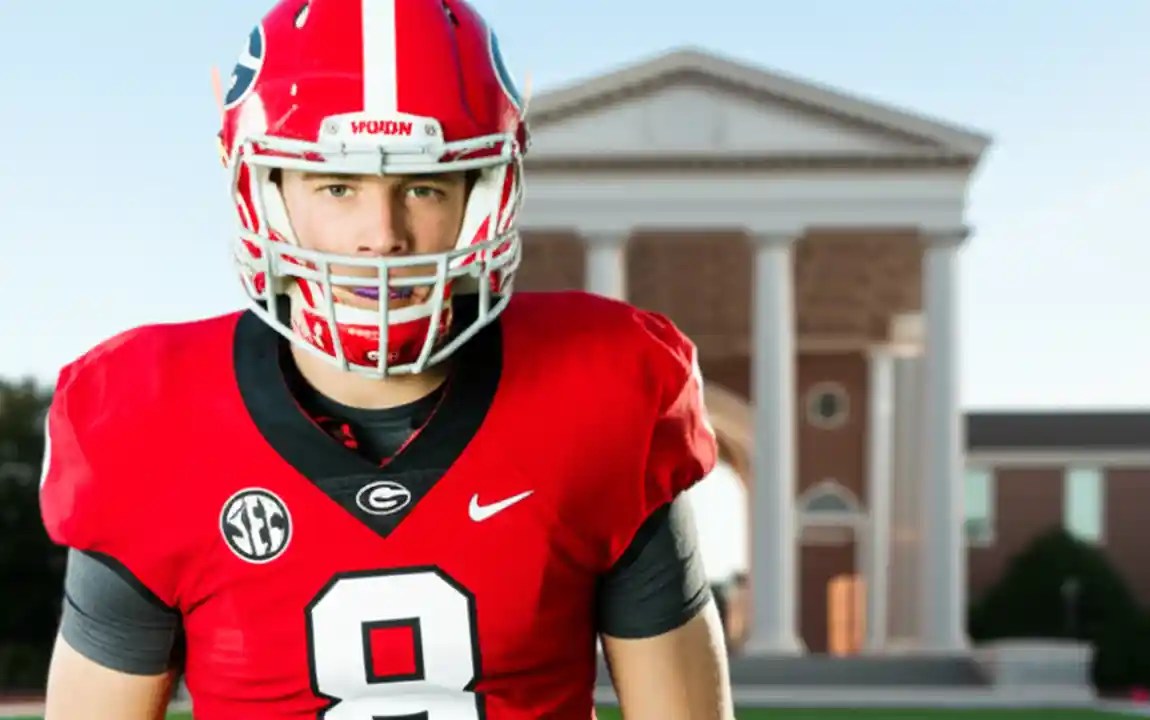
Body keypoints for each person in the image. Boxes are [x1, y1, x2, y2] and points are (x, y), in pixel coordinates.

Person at [38, 1, 734, 718]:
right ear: (263, 192)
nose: (383, 235)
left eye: (424, 187)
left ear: (485, 192)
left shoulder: (605, 392)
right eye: (338, 187)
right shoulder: (146, 419)